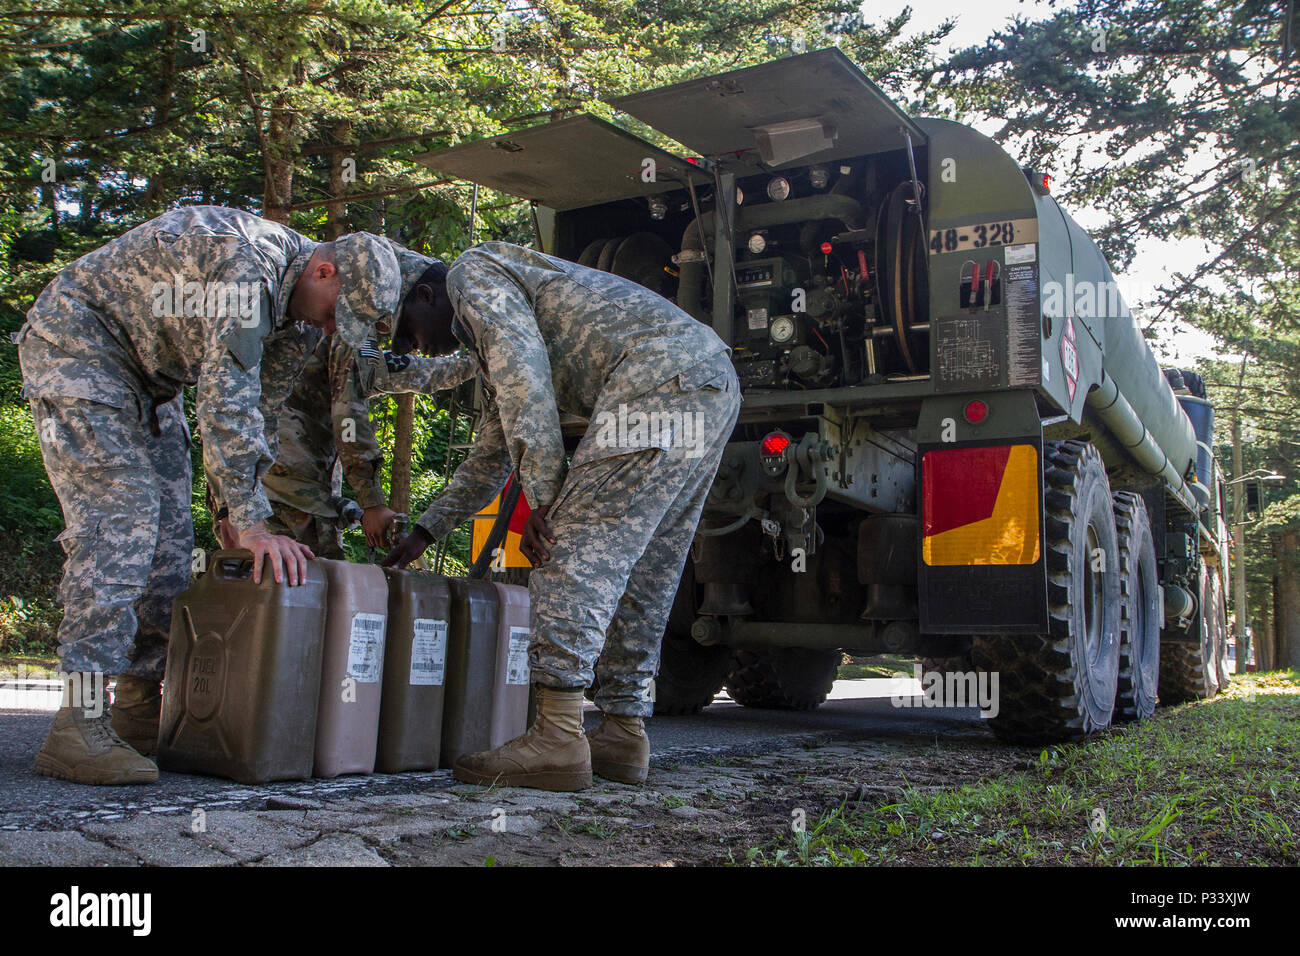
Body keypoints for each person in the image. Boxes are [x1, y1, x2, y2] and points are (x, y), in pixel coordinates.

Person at [14, 206, 402, 785]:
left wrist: (232, 509)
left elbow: (261, 412)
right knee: (120, 529)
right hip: (80, 348)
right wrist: (250, 521)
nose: (329, 330)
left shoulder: (297, 318)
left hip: (152, 381)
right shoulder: (245, 266)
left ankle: (135, 712)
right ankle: (78, 723)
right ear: (325, 272)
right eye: (335, 316)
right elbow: (224, 399)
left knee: (171, 554)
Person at [380, 241, 739, 791]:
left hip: (658, 374)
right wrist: (428, 530)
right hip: (708, 380)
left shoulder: (471, 275)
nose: (416, 348)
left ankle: (557, 734)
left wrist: (546, 497)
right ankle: (622, 728)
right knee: (647, 564)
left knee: (566, 546)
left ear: (424, 295)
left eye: (407, 333)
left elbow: (524, 380)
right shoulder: (489, 324)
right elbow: (493, 448)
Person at [213, 245, 477, 558]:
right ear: (424, 296)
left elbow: (388, 372)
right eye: (416, 340)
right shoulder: (355, 309)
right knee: (296, 595)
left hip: (286, 487)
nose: (407, 348)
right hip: (280, 492)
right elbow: (348, 411)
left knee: (305, 593)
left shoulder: (365, 318)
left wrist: (479, 363)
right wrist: (372, 502)